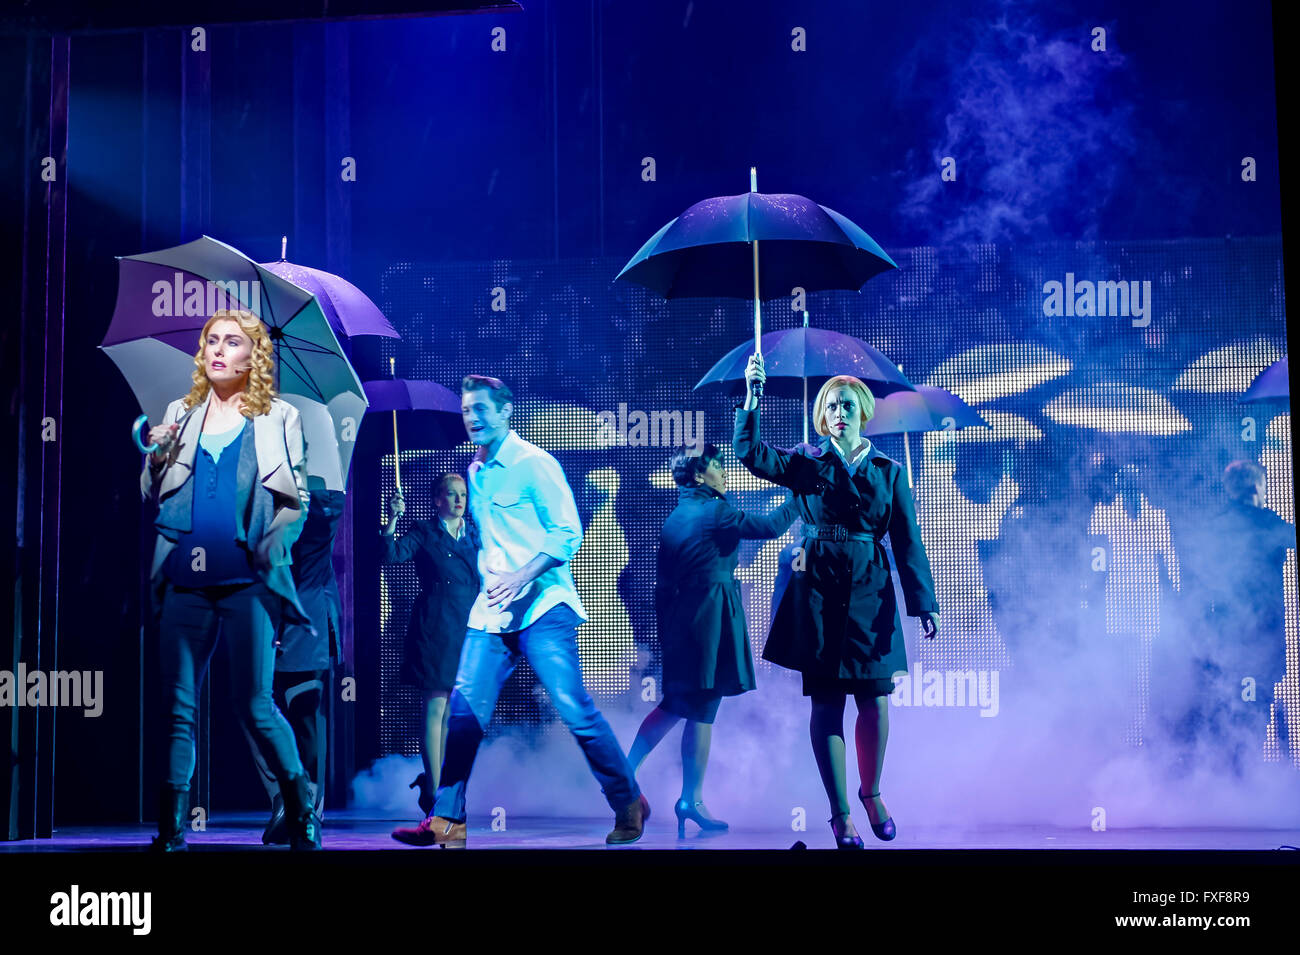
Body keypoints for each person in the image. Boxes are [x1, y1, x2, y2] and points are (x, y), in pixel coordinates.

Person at [415, 375, 647, 848]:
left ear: (505, 412)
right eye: (466, 411)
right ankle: (447, 820)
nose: (471, 418)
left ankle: (628, 802)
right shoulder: (475, 472)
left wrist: (520, 576)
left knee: (573, 707)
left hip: (544, 604)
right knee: (463, 711)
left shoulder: (535, 464)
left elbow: (567, 534)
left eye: (481, 409)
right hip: (492, 612)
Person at [735, 355, 940, 849]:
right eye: (831, 406)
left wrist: (923, 601)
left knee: (874, 699)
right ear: (822, 417)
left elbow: (909, 539)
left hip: (870, 589)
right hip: (819, 590)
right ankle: (840, 813)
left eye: (848, 404)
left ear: (863, 411)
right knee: (826, 704)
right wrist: (752, 396)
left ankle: (871, 793)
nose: (839, 412)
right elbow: (750, 453)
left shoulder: (889, 472)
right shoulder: (807, 461)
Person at [140, 308, 320, 851]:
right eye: (211, 340)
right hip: (183, 578)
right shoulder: (181, 412)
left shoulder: (278, 416)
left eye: (233, 342)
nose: (219, 350)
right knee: (178, 706)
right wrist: (156, 455)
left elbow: (297, 501)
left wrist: (276, 538)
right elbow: (151, 493)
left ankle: (300, 808)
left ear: (253, 356)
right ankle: (171, 830)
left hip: (248, 579)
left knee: (255, 704)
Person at [626, 444, 799, 836]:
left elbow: (664, 584)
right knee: (694, 708)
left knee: (687, 706)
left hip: (686, 620)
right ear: (700, 476)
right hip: (709, 618)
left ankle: (684, 796)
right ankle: (640, 779)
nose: (724, 472)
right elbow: (770, 528)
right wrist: (799, 497)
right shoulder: (714, 511)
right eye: (718, 466)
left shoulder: (676, 515)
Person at [383, 473, 483, 845]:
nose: (458, 500)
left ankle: (438, 790)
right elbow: (391, 555)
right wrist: (392, 518)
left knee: (458, 715)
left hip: (469, 628)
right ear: (436, 500)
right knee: (436, 709)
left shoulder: (474, 534)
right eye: (450, 494)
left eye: (462, 495)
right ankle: (439, 798)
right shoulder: (424, 530)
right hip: (435, 627)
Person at [243, 483, 344, 844]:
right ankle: (286, 800)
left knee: (304, 712)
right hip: (268, 610)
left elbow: (312, 534)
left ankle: (307, 810)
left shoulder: (320, 499)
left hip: (306, 615)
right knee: (253, 706)